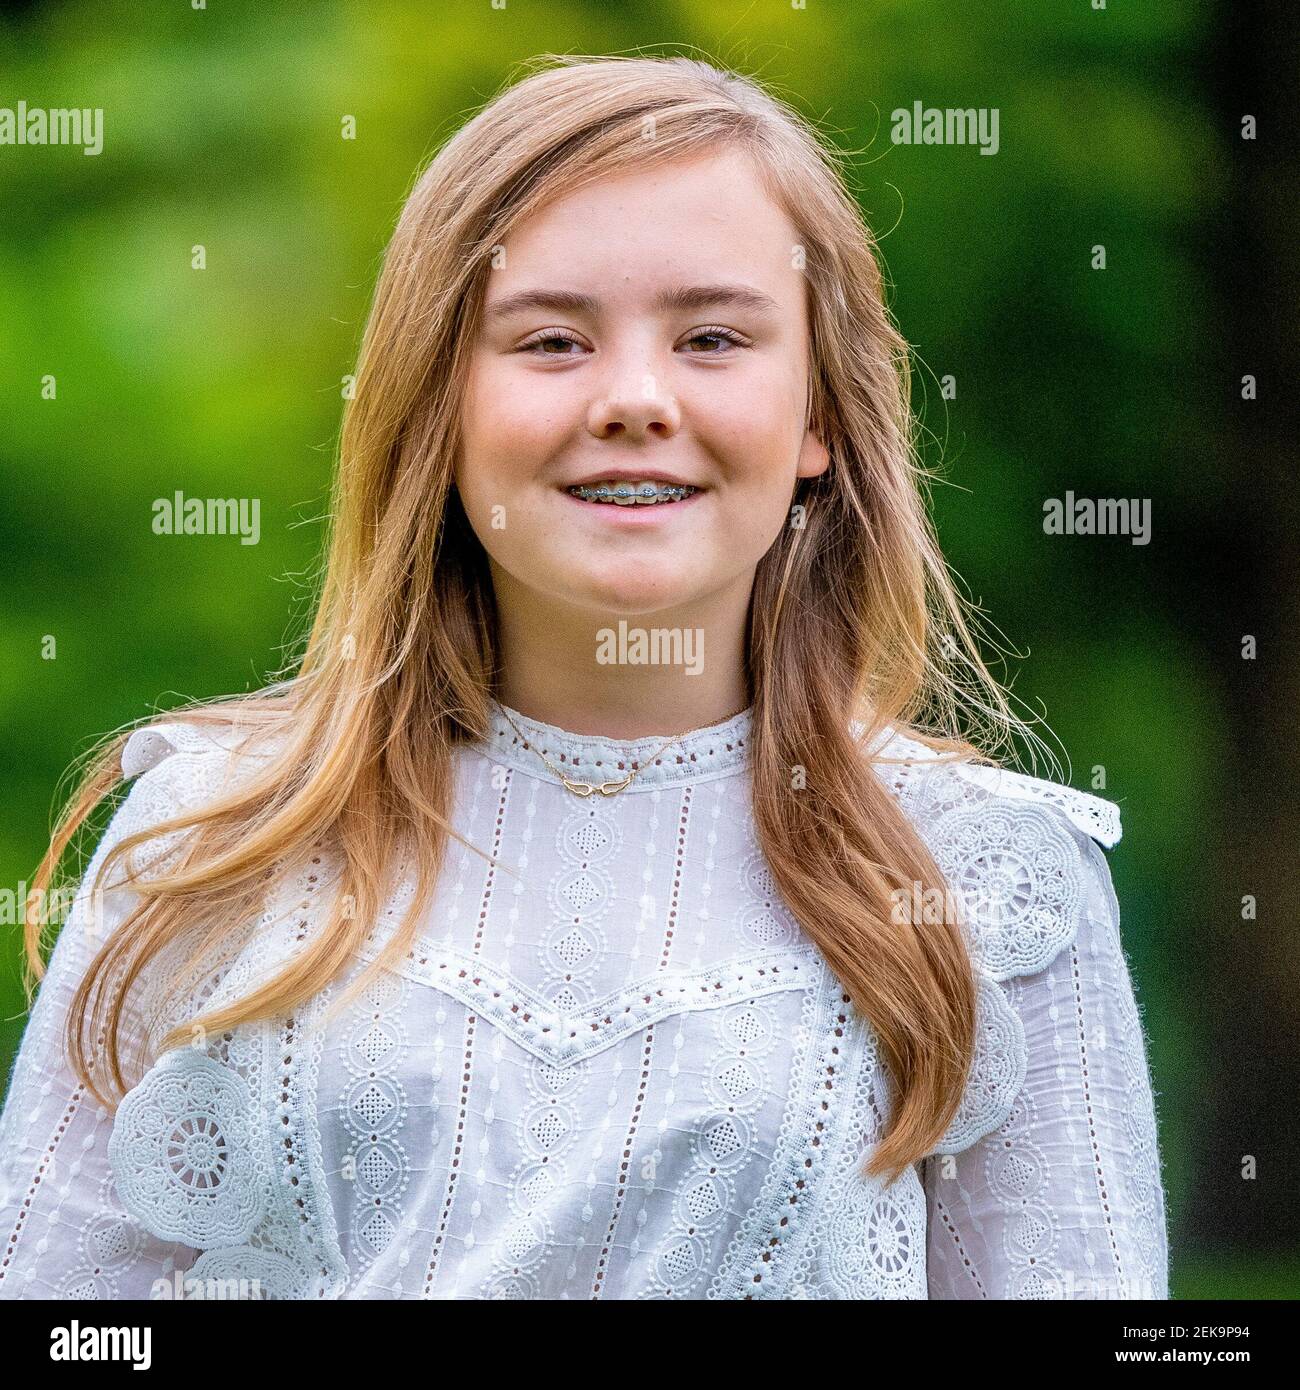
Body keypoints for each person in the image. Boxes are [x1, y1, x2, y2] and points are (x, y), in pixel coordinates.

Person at [0, 54, 1168, 1300]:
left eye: (713, 337)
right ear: (436, 410)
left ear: (818, 416)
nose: (633, 399)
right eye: (551, 339)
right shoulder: (216, 839)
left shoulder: (983, 881)